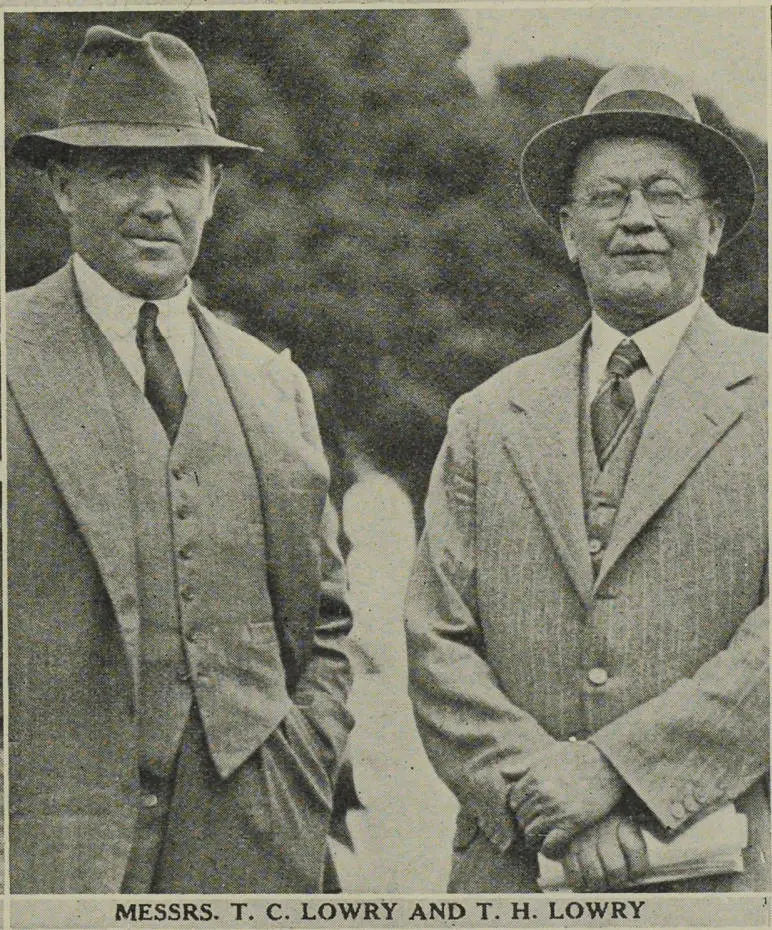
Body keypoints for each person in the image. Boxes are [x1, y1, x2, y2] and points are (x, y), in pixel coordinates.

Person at [405, 65, 768, 893]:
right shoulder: (488, 415)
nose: (635, 220)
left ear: (712, 226)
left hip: (727, 867)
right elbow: (438, 644)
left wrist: (619, 773)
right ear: (568, 232)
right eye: (607, 198)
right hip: (517, 868)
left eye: (664, 194)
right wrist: (548, 793)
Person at [8, 25, 354, 894]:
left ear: (215, 193)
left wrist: (303, 758)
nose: (156, 202)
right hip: (49, 842)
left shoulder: (273, 384)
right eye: (124, 170)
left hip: (252, 839)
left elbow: (325, 623)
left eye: (184, 173)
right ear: (61, 184)